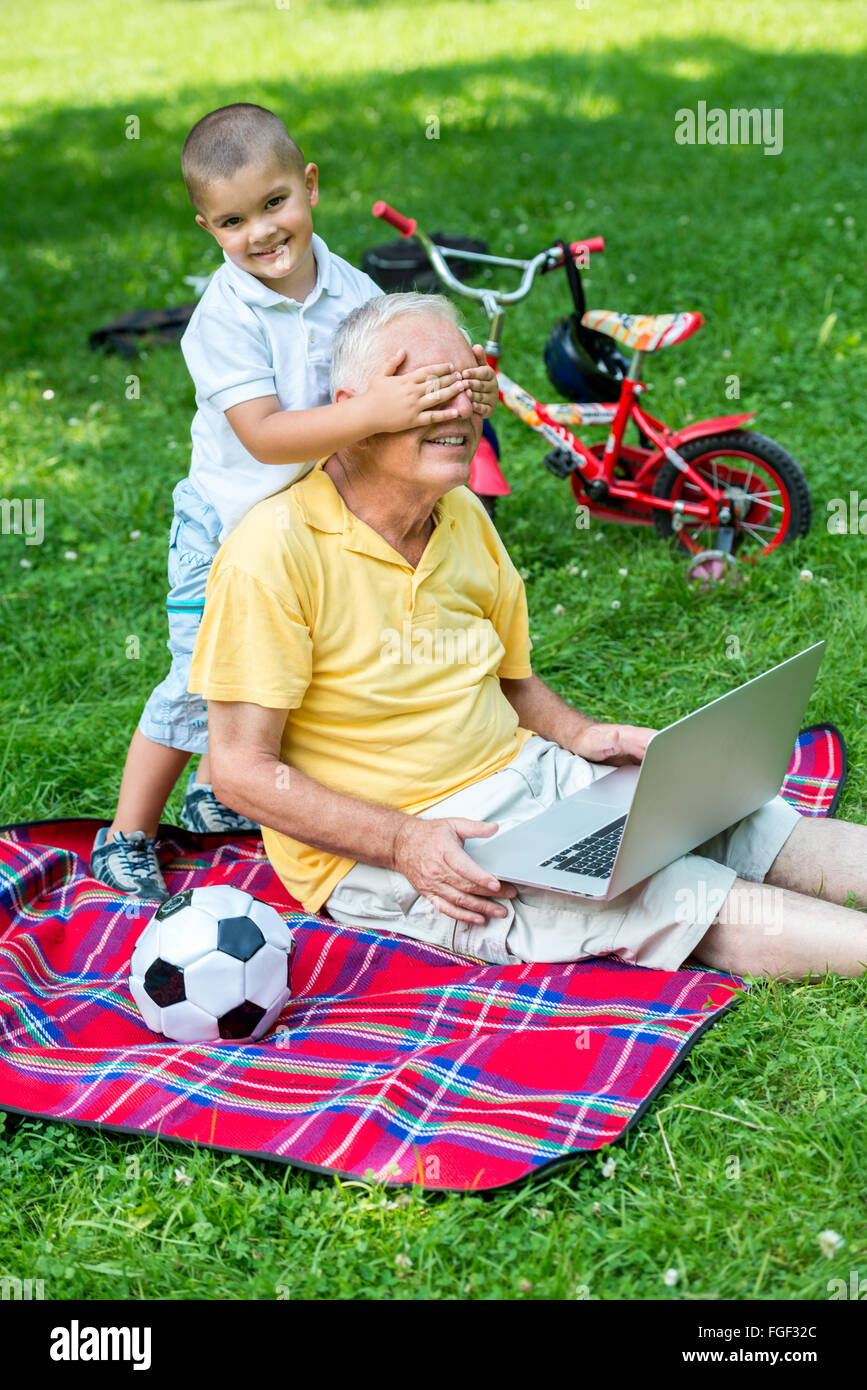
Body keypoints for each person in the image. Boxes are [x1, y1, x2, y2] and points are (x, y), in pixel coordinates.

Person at [187, 292, 867, 980]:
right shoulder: (271, 552)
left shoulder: (460, 514)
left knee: (745, 822)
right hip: (404, 841)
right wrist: (403, 841)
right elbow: (242, 772)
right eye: (427, 388)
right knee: (675, 894)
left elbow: (511, 680)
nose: (459, 408)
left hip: (531, 778)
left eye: (467, 383)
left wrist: (582, 736)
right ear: (351, 407)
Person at [89, 103, 497, 900]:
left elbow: (394, 369)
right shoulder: (223, 319)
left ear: (308, 186)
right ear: (209, 227)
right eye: (235, 221)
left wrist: (457, 388)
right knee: (199, 679)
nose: (262, 233)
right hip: (229, 518)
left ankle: (214, 796)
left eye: (275, 204)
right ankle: (127, 832)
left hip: (310, 515)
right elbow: (266, 436)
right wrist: (376, 414)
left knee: (294, 665)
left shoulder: (351, 287)